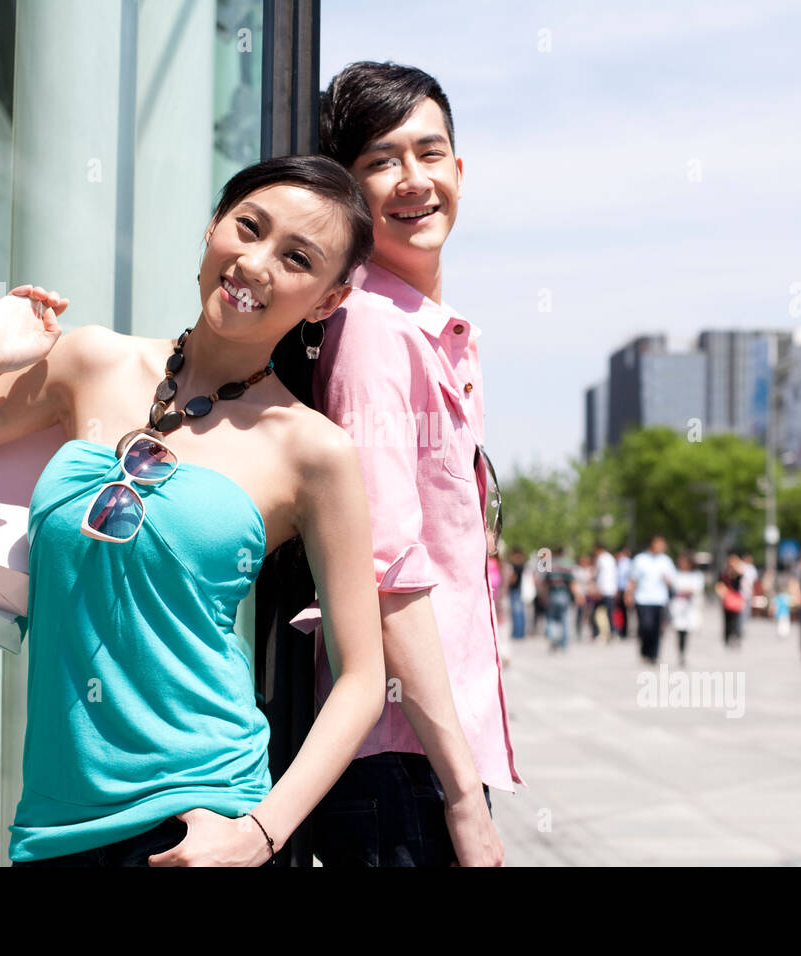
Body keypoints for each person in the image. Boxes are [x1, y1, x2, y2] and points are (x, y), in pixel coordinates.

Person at [0, 155, 388, 866]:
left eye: (297, 258)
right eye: (248, 228)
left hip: (199, 818)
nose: (256, 264)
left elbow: (363, 676)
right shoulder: (90, 361)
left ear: (327, 301)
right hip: (51, 822)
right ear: (214, 227)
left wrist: (260, 834)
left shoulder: (314, 450)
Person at [308, 61, 522, 868]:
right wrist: (464, 799)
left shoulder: (421, 328)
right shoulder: (372, 327)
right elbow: (386, 574)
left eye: (429, 154)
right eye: (380, 162)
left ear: (459, 171)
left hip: (418, 758)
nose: (412, 180)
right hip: (404, 767)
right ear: (348, 193)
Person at [624, 534, 676, 665]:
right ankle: (644, 650)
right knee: (646, 626)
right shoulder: (640, 559)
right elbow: (633, 579)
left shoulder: (666, 561)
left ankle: (654, 654)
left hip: (660, 599)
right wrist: (629, 594)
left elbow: (673, 581)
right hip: (643, 598)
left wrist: (667, 580)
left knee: (657, 628)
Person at [669, 551, 705, 666]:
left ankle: (683, 652)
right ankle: (680, 651)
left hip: (689, 607)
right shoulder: (676, 574)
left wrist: (685, 589)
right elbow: (674, 587)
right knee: (679, 629)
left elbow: (696, 589)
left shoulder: (696, 575)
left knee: (686, 630)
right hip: (677, 606)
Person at [542, 546, 576, 651]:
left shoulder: (550, 566)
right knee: (565, 618)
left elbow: (545, 583)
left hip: (552, 595)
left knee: (551, 618)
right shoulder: (567, 565)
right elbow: (571, 582)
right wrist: (577, 595)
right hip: (563, 594)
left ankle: (553, 639)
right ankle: (564, 643)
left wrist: (544, 596)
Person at [715, 552, 746, 650]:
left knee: (736, 619)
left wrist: (736, 566)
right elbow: (719, 584)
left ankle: (736, 637)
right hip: (727, 598)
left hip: (736, 599)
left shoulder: (737, 573)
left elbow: (742, 575)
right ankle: (727, 638)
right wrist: (722, 593)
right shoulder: (724, 573)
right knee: (727, 620)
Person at [593, 541, 619, 643]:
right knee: (609, 613)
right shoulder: (611, 558)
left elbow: (601, 575)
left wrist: (598, 589)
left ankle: (601, 633)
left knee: (598, 613)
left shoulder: (601, 558)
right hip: (611, 589)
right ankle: (612, 632)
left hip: (603, 589)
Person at [507, 546, 529, 639]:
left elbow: (513, 578)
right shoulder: (524, 564)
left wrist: (508, 584)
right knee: (521, 612)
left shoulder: (516, 565)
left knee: (516, 613)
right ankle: (521, 632)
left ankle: (517, 633)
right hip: (522, 590)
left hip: (515, 590)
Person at [615, 545, 634, 638]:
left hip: (623, 589)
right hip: (626, 589)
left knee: (622, 611)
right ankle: (623, 630)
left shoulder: (623, 564)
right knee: (625, 611)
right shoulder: (630, 563)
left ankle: (623, 631)